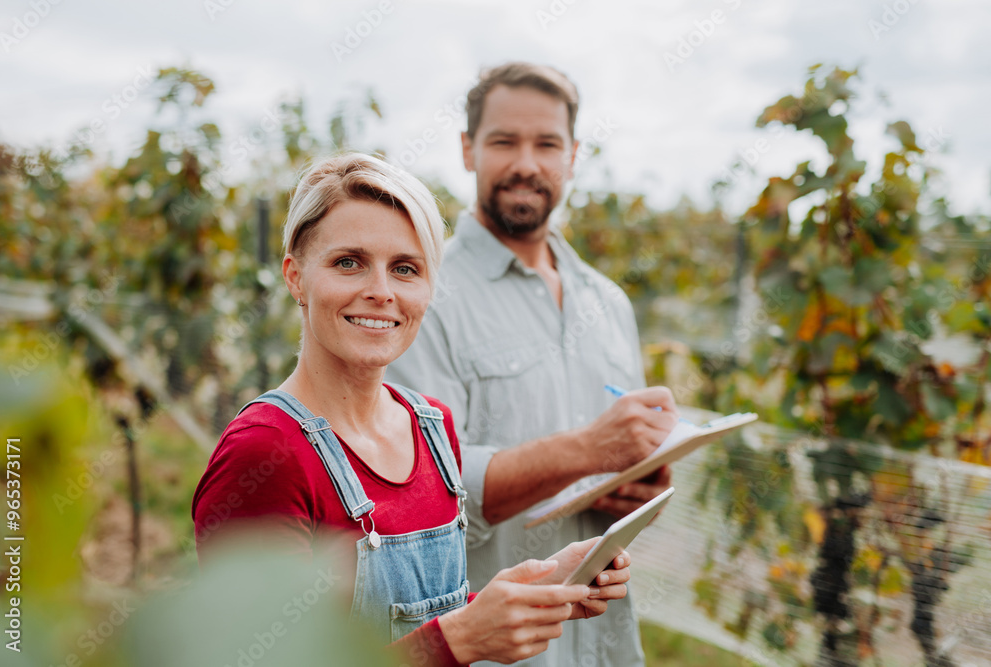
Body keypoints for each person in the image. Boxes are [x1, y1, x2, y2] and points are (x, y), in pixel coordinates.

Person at [192, 153, 634, 667]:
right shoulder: (265, 453)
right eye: (348, 262)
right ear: (295, 277)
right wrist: (462, 639)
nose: (380, 292)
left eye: (405, 269)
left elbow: (422, 620)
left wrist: (540, 587)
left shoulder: (432, 427)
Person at [386, 63, 679, 666]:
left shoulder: (607, 301)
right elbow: (429, 496)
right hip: (498, 651)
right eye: (503, 142)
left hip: (602, 644)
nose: (526, 162)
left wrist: (636, 483)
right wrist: (589, 449)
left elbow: (614, 461)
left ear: (573, 156)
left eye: (546, 144)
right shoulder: (422, 295)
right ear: (468, 151)